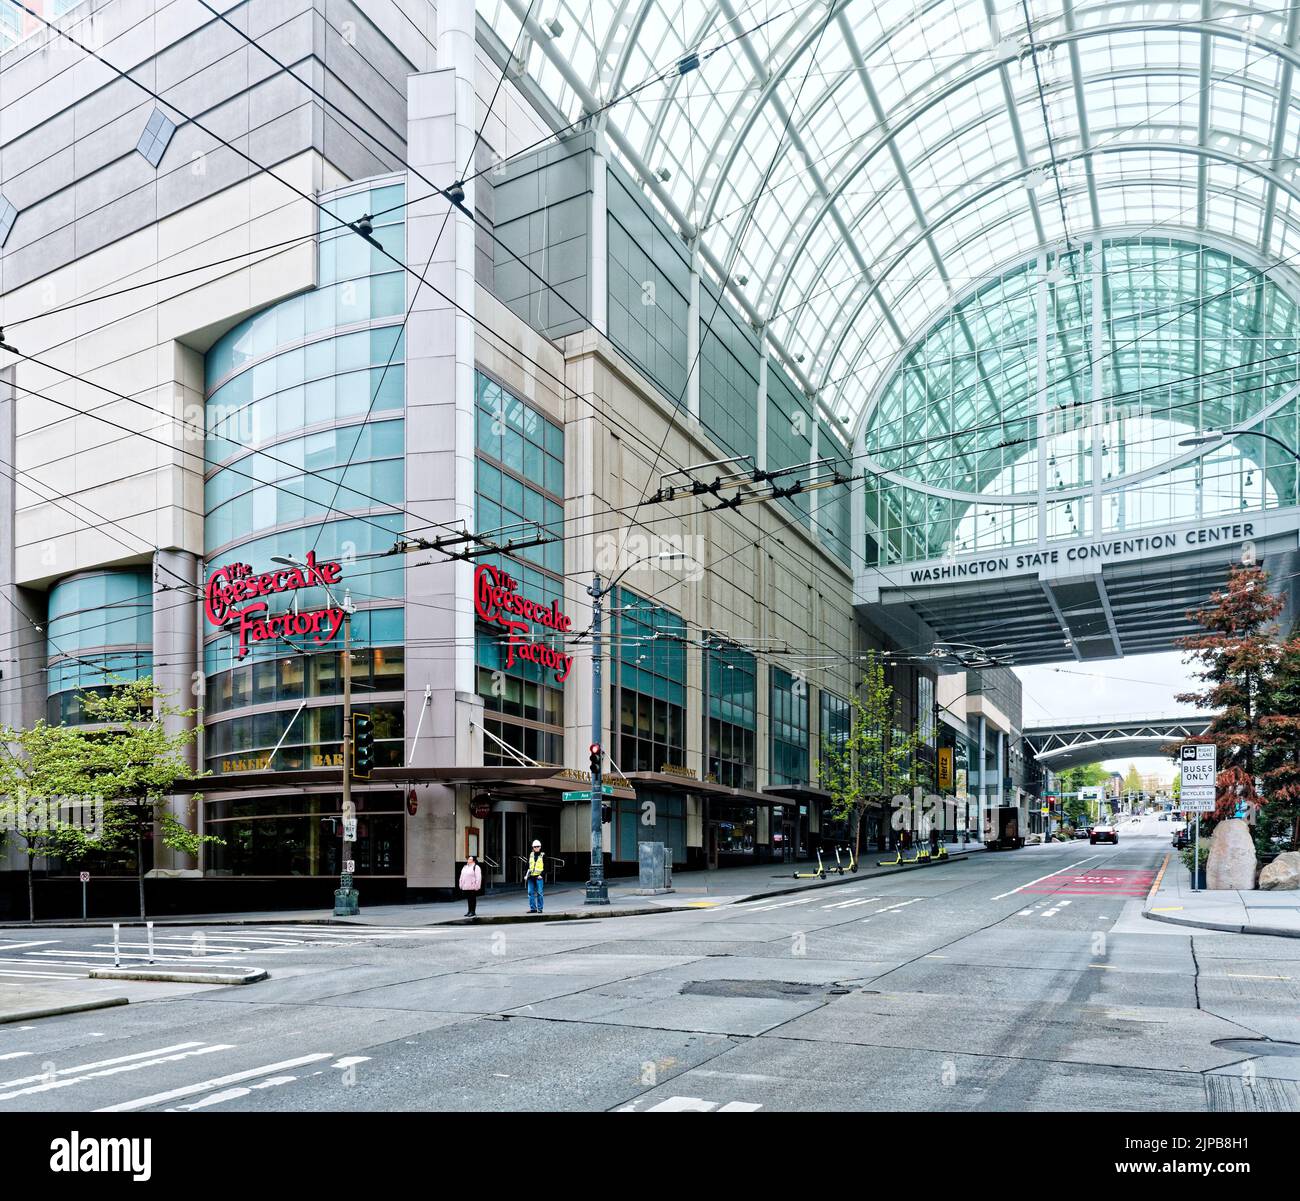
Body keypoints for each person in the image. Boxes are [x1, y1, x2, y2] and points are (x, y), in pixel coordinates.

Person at [526, 840, 545, 913]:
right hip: (531, 877)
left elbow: (546, 866)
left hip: (539, 877)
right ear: (533, 847)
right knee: (530, 892)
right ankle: (533, 909)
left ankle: (540, 909)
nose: (536, 848)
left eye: (537, 846)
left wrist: (542, 875)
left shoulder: (543, 855)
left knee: (539, 893)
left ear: (540, 847)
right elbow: (527, 866)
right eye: (535, 847)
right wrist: (526, 875)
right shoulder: (531, 855)